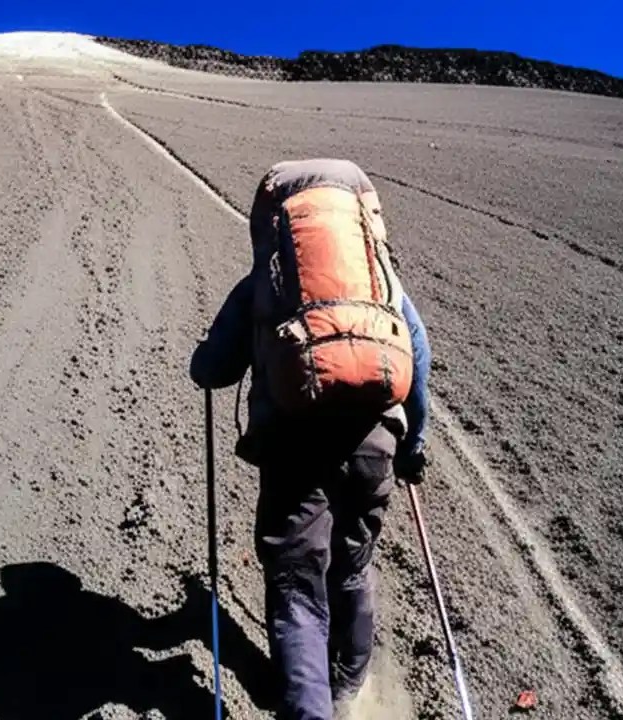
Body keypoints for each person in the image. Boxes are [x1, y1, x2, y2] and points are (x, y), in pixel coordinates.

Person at [190, 158, 431, 719]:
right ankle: (348, 693)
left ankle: (310, 709)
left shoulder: (263, 283)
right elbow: (418, 359)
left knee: (299, 592)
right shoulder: (382, 285)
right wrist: (414, 443)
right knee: (351, 568)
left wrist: (207, 358)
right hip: (375, 445)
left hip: (294, 448)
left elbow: (212, 368)